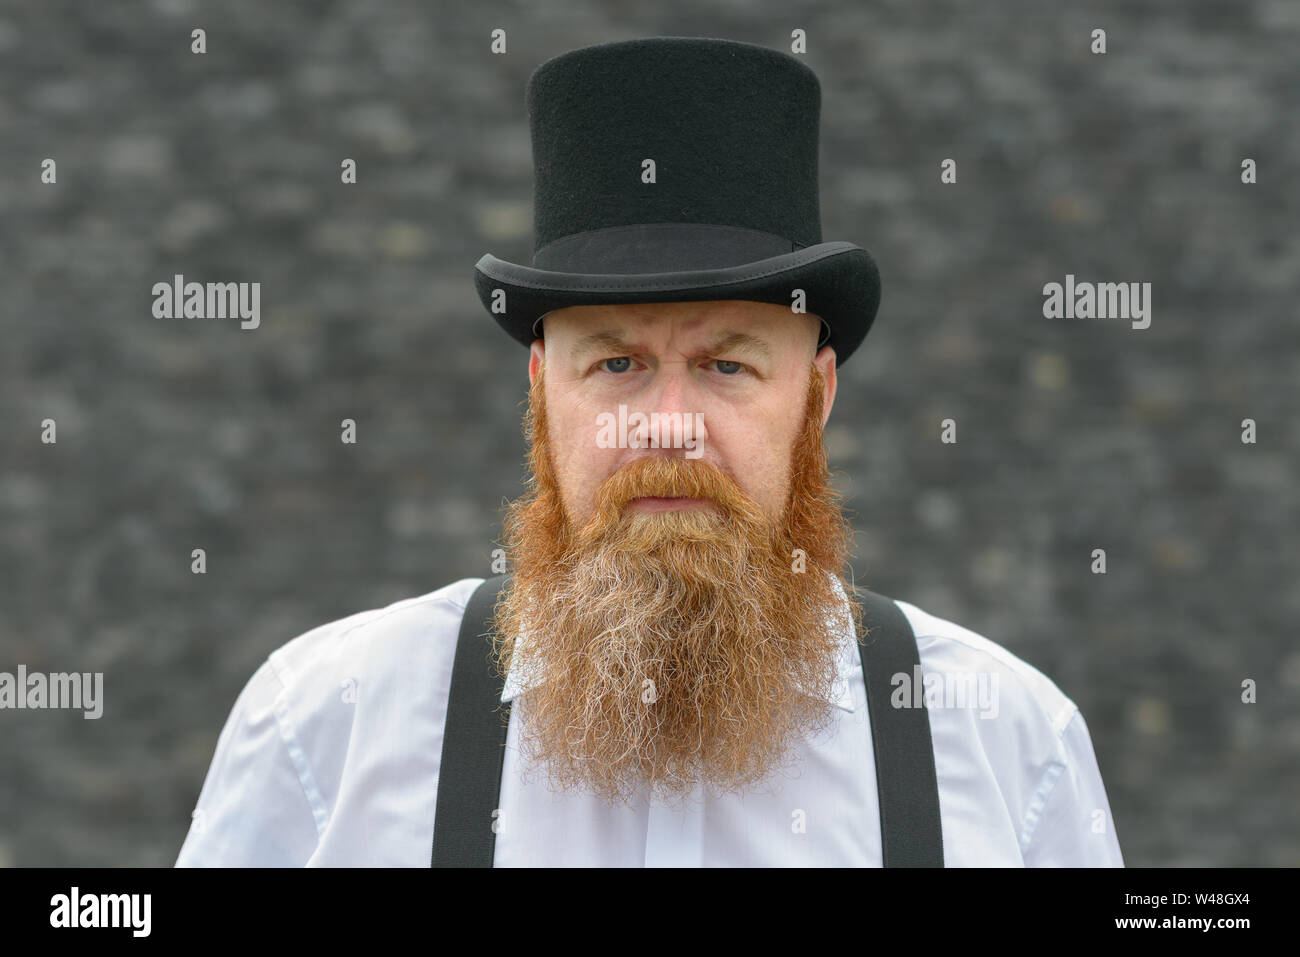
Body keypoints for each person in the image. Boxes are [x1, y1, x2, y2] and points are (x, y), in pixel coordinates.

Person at [176, 36, 1123, 867]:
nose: (668, 424)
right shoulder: (324, 728)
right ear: (543, 393)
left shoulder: (1009, 748)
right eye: (618, 361)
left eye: (727, 366)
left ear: (817, 397)